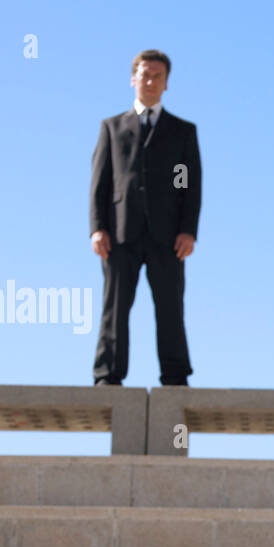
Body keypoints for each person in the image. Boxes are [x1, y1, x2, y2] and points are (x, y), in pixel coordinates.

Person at [89, 49, 201, 386]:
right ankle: (108, 374)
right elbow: (101, 180)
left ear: (166, 84)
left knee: (170, 308)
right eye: (145, 74)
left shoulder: (182, 131)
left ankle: (175, 375)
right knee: (115, 307)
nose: (150, 81)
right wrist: (98, 228)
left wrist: (188, 230)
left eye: (158, 76)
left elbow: (189, 184)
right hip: (120, 233)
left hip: (168, 236)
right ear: (133, 78)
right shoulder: (111, 127)